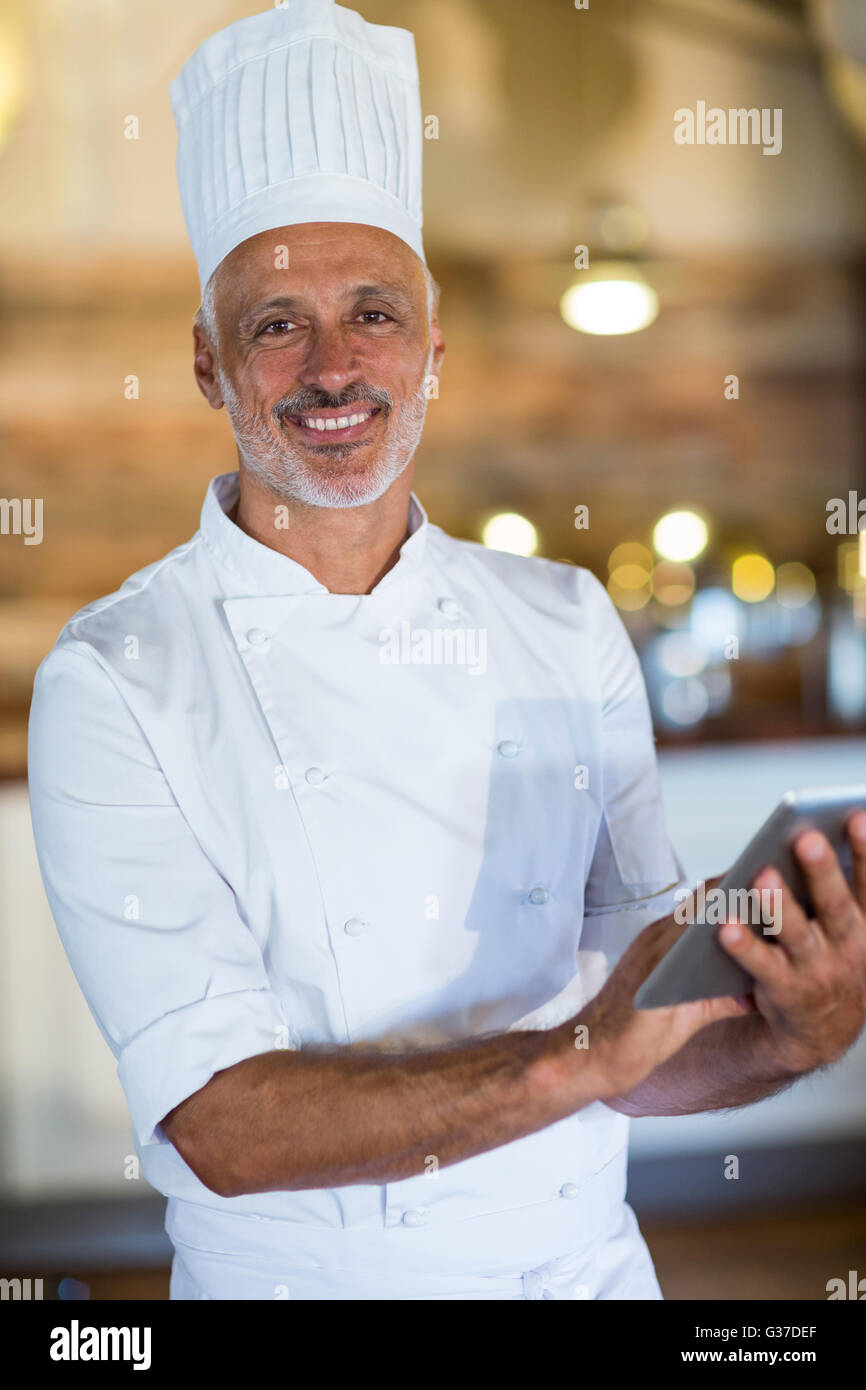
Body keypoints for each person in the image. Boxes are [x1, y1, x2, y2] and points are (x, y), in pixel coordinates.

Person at [28, 2, 866, 1301]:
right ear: (206, 361)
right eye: (274, 323)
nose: (332, 368)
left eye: (373, 312)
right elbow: (221, 1125)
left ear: (434, 349)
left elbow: (655, 1038)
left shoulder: (563, 620)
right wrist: (575, 1059)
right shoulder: (117, 679)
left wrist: (801, 1028)